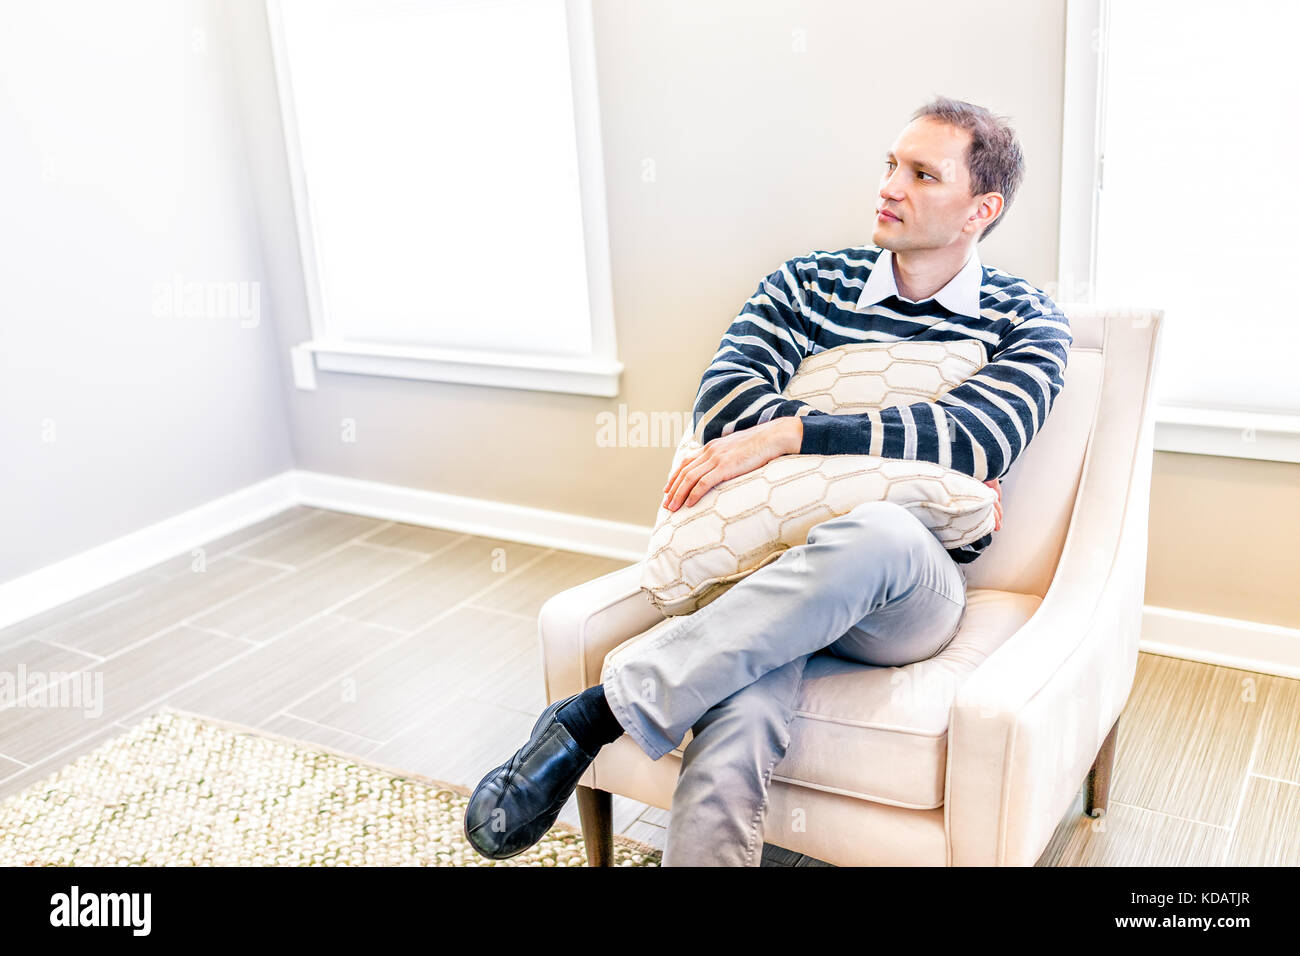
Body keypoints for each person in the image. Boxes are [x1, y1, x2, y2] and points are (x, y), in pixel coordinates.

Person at [464, 96, 1072, 865]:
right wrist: (889, 451)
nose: (889, 186)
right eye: (890, 164)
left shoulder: (1027, 319)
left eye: (922, 174)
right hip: (773, 573)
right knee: (739, 700)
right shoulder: (807, 283)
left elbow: (977, 438)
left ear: (981, 208)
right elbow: (725, 405)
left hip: (907, 595)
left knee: (882, 528)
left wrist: (790, 433)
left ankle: (591, 716)